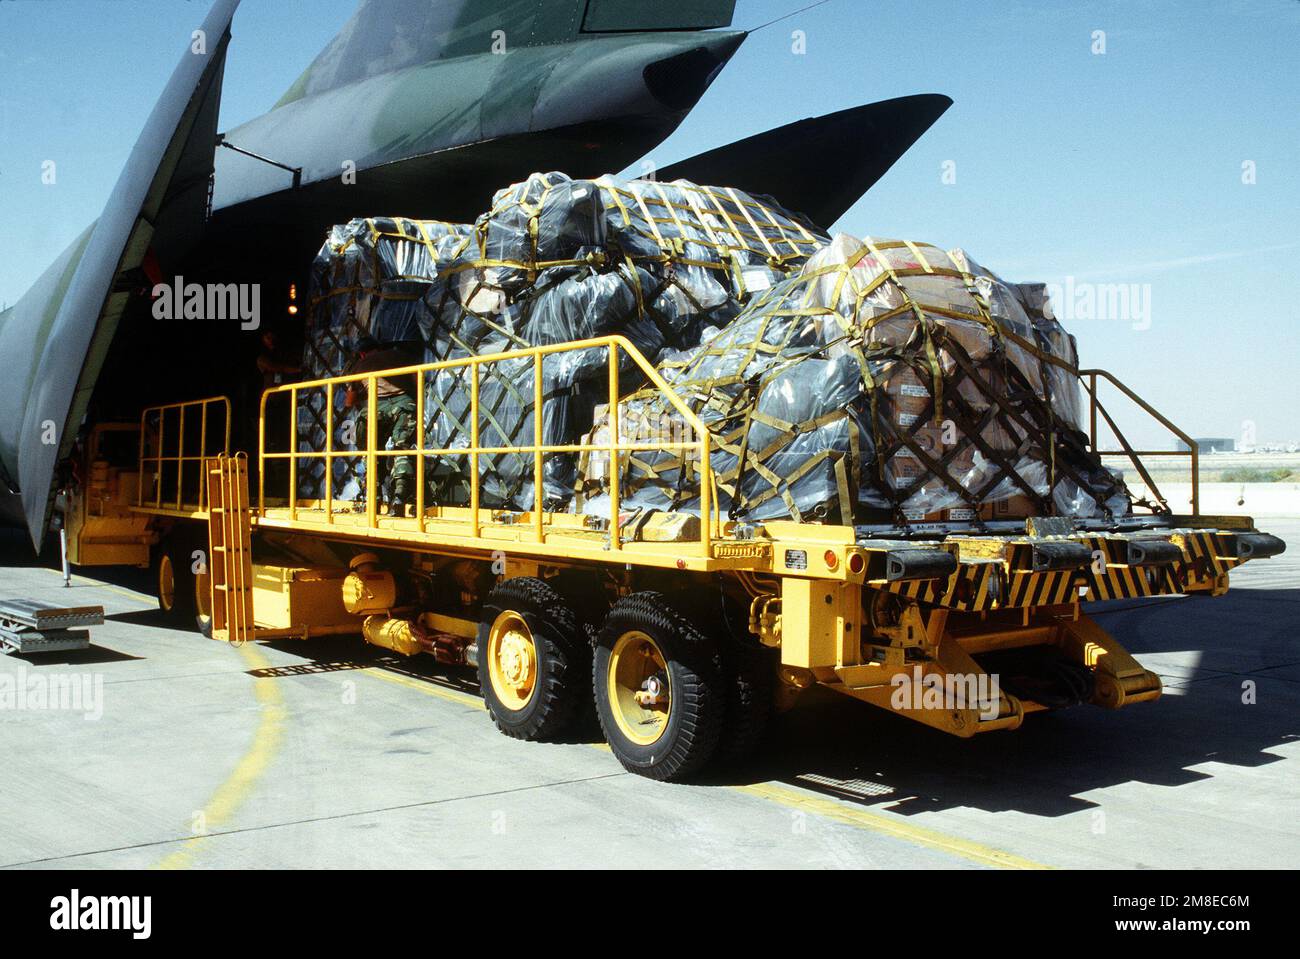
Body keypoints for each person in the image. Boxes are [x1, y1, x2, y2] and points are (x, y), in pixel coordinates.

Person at [346, 339, 421, 517]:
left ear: (363, 353)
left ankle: (373, 497)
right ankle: (399, 500)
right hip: (404, 402)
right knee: (402, 449)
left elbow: (349, 402)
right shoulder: (402, 356)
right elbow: (419, 384)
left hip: (375, 406)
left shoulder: (358, 365)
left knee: (370, 452)